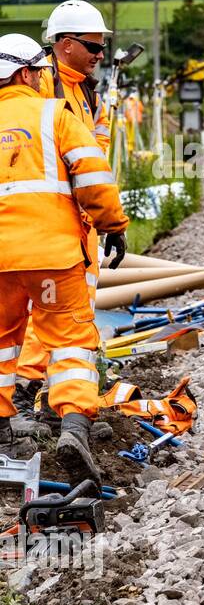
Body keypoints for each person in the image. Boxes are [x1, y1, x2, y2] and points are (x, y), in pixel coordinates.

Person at [0, 34, 128, 482]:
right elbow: (93, 176)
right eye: (37, 72)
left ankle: (2, 433)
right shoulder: (55, 113)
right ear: (25, 73)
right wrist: (112, 224)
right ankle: (73, 424)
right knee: (71, 340)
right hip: (53, 254)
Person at [14, 0, 119, 413]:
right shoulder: (42, 86)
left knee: (75, 310)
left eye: (101, 48)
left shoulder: (86, 91)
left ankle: (54, 399)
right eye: (93, 47)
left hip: (82, 218)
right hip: (49, 221)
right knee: (52, 308)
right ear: (64, 43)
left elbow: (97, 146)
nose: (100, 55)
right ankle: (28, 392)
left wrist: (102, 207)